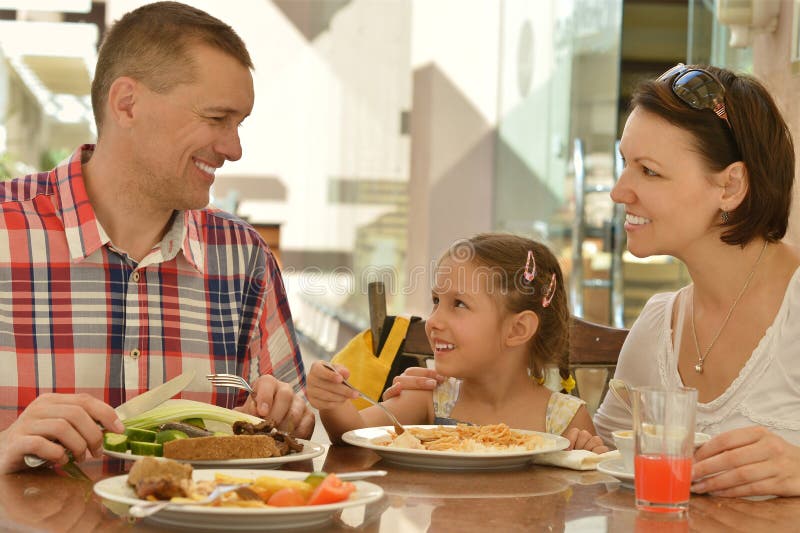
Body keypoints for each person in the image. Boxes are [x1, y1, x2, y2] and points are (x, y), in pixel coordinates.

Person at [386, 65, 800, 497]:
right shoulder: (658, 329)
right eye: (624, 164)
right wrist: (460, 397)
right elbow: (592, 471)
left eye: (649, 171)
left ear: (730, 186)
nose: (619, 191)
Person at [0, 1, 313, 475]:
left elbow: (289, 458)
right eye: (215, 118)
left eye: (239, 124)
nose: (234, 148)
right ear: (127, 104)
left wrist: (291, 423)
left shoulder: (244, 259)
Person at [308, 233, 607, 452]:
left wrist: (590, 460)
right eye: (436, 301)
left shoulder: (565, 419)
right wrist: (331, 401)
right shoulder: (430, 396)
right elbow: (353, 433)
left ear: (517, 329)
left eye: (459, 304)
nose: (434, 320)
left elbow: (585, 502)